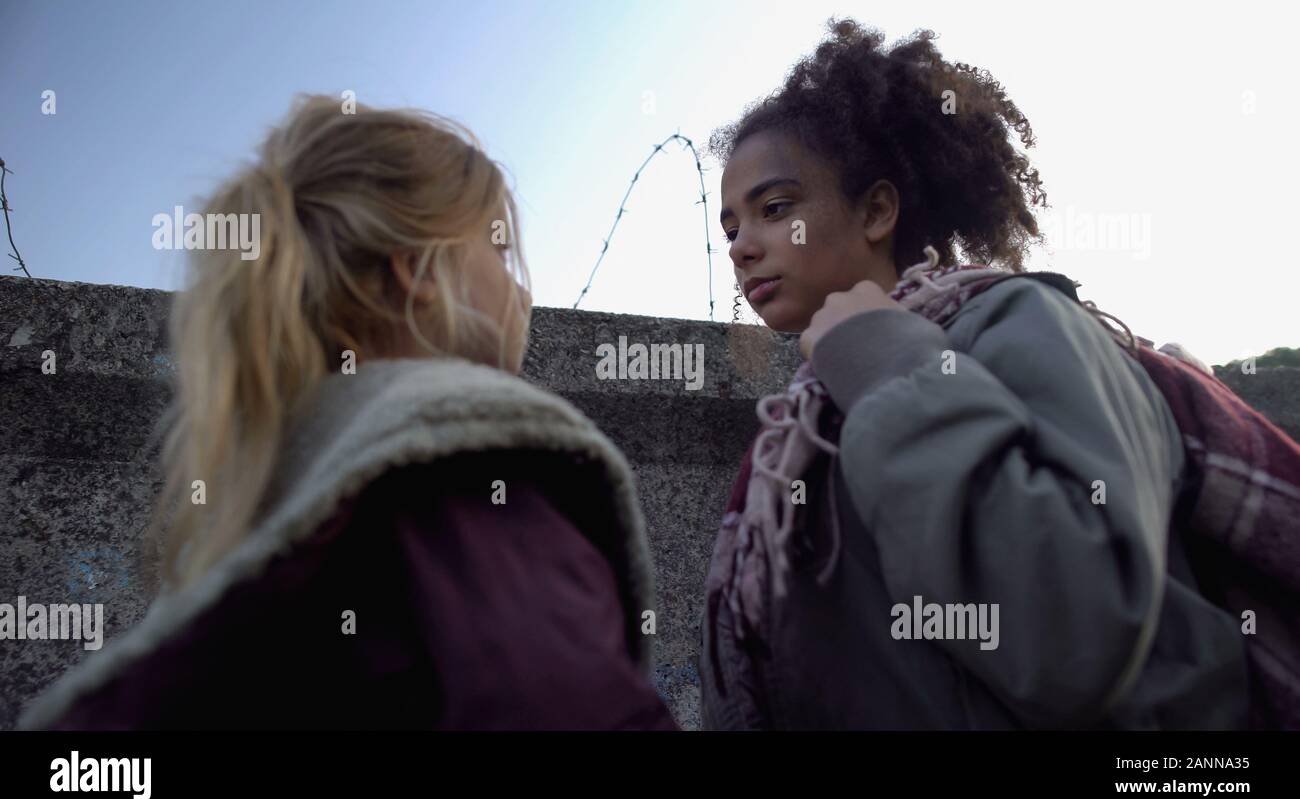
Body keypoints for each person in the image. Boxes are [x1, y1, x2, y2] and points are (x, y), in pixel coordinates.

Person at [20, 95, 676, 731]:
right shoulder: (468, 473)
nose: (521, 286)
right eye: (499, 251)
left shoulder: (266, 502)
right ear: (419, 268)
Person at [699, 20, 1247, 730]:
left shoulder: (1016, 321)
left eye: (775, 209)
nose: (742, 247)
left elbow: (1081, 631)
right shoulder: (798, 427)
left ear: (876, 210)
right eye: (730, 227)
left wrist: (882, 361)